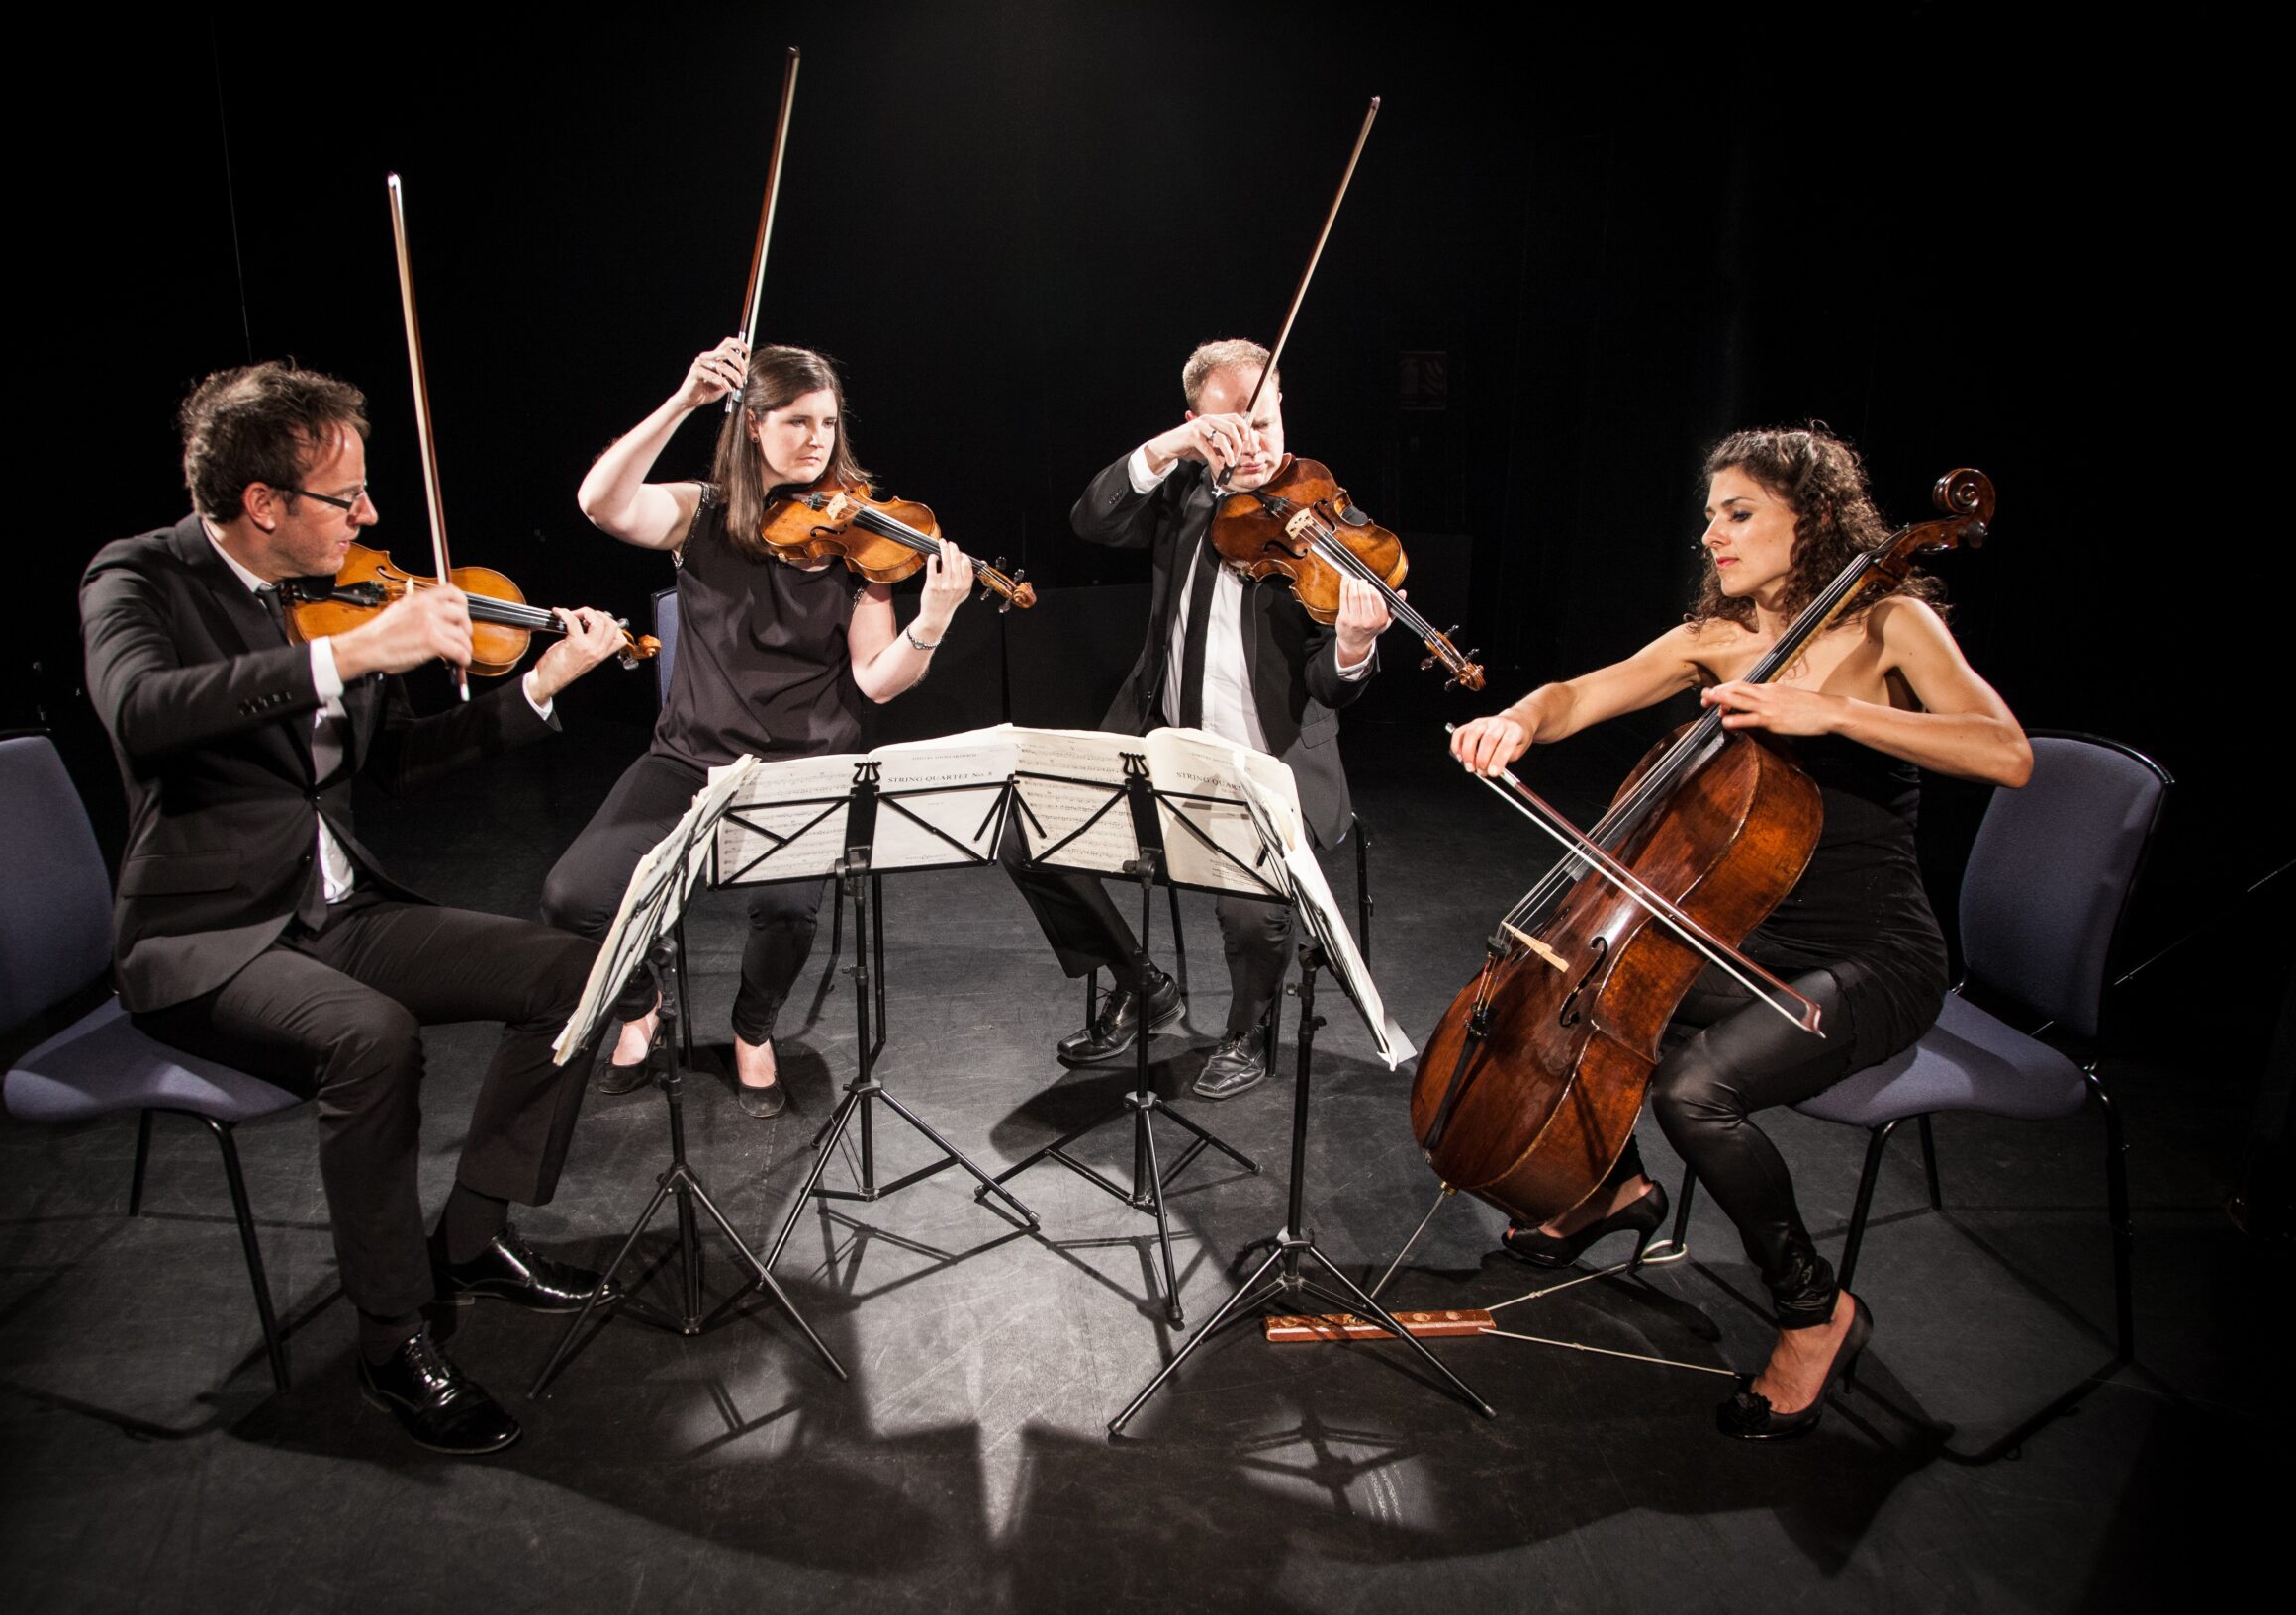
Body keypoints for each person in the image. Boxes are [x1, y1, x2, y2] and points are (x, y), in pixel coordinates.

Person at [80, 361, 630, 1457]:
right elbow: (139, 711)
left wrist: (536, 688)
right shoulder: (137, 578)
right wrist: (342, 656)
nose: (372, 516)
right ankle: (390, 1339)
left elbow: (392, 766)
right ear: (262, 504)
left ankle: (468, 1237)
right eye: (347, 498)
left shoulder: (348, 586)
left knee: (586, 968)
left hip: (336, 909)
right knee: (370, 1042)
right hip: (206, 935)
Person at [1446, 425, 2033, 1439]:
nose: (1711, 533)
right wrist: (1521, 720)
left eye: (1738, 511)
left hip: (1873, 959)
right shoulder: (1714, 636)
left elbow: (2005, 753)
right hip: (1755, 948)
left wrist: (1837, 717)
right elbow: (1583, 691)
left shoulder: (1890, 624)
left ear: (1806, 518)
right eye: (1709, 512)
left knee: (1694, 1088)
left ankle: (1812, 1309)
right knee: (1603, 993)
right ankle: (1611, 1188)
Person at [540, 338, 973, 1117]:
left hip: (802, 769)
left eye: (829, 423)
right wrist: (681, 402)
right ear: (749, 424)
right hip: (688, 758)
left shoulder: (859, 541)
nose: (818, 439)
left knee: (788, 912)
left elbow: (876, 678)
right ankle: (642, 1006)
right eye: (798, 421)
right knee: (573, 896)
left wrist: (933, 621)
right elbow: (600, 502)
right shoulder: (701, 515)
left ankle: (752, 1026)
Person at [1006, 339, 1391, 1100]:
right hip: (1156, 746)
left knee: (1250, 917)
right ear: (1197, 425)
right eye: (1231, 430)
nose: (1255, 448)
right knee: (1028, 835)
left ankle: (1247, 1028)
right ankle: (1141, 983)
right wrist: (1170, 448)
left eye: (1268, 425)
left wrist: (1350, 649)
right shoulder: (1182, 493)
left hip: (1266, 767)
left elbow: (1329, 685)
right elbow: (1091, 516)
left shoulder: (1326, 524)